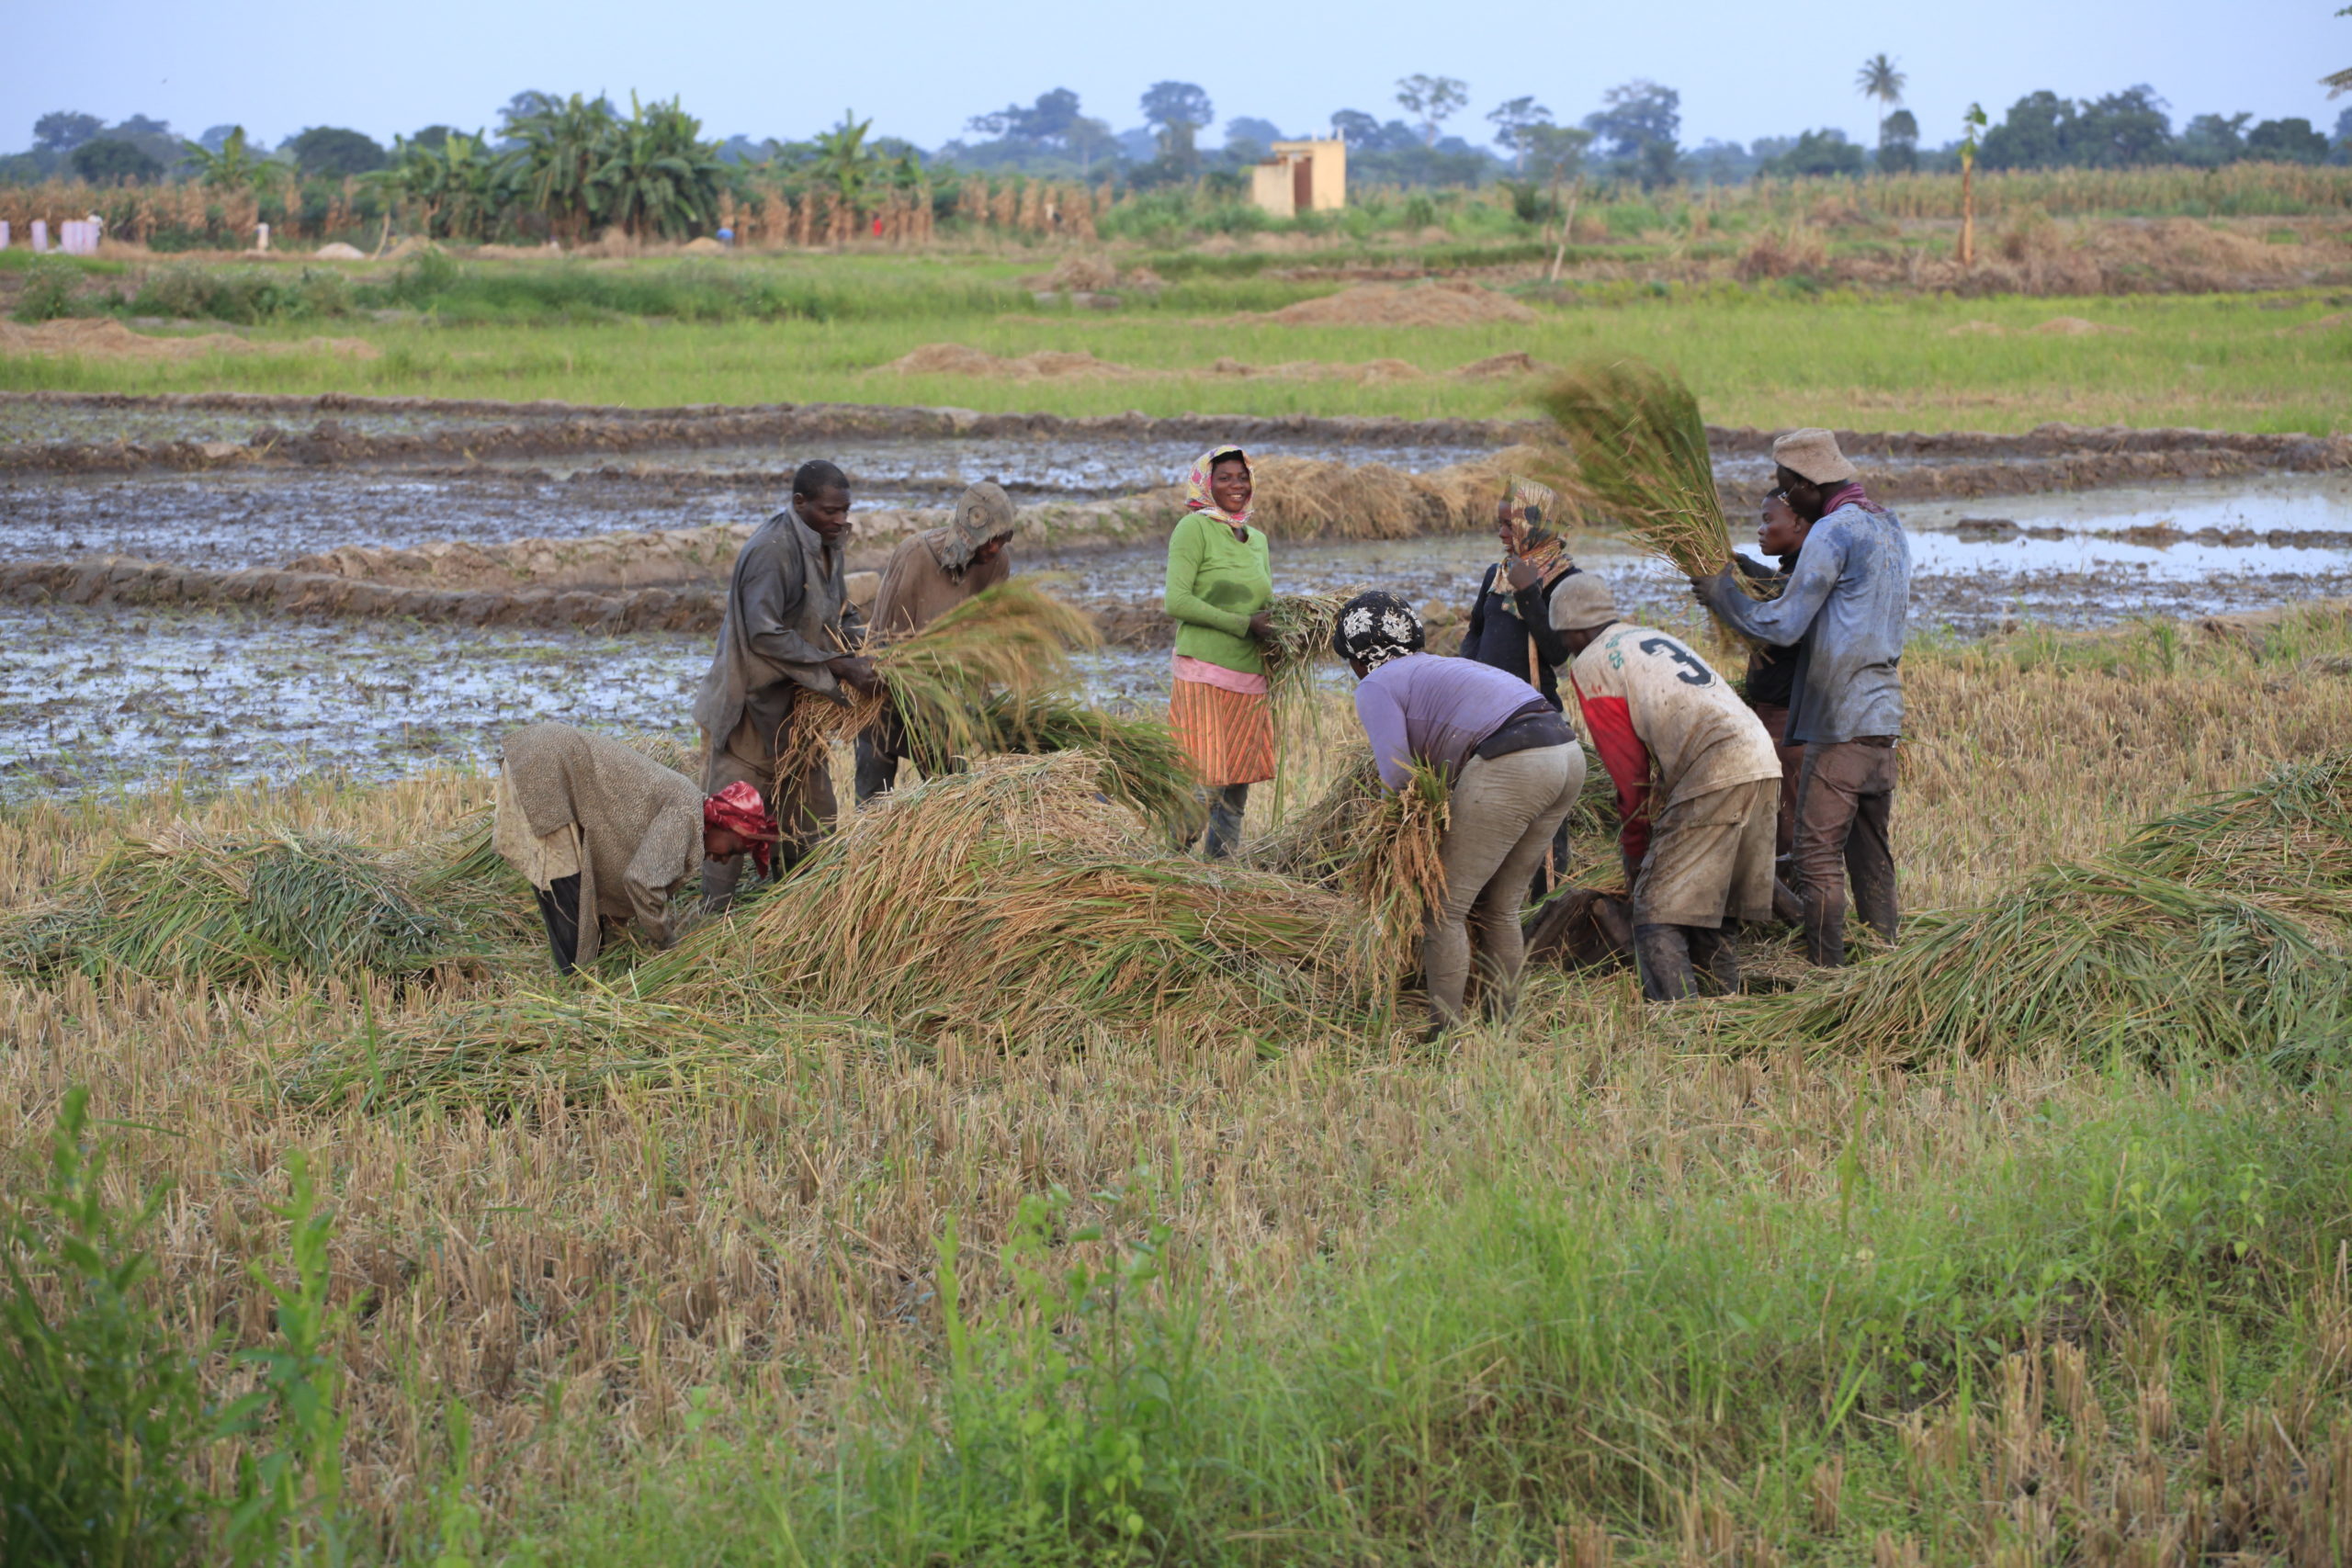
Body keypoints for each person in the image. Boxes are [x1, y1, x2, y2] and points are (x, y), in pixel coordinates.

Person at [1693, 429, 1910, 967]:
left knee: (1815, 859)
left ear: (1811, 484)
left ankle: (1827, 976)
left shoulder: (1833, 531)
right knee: (1871, 852)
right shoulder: (1888, 524)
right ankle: (1887, 962)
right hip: (1883, 715)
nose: (1787, 498)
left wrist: (1723, 595)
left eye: (1788, 488)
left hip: (1840, 720)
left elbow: (1785, 626)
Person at [1334, 591, 1585, 1031]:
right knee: (1500, 908)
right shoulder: (1440, 666)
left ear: (1360, 655)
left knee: (1443, 910)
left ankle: (1444, 1031)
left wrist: (1395, 840)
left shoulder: (1377, 683)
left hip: (1514, 761)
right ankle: (1503, 1023)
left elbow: (1398, 778)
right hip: (1566, 754)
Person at [1550, 575, 1784, 1003]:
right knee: (1713, 904)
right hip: (1760, 756)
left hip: (1714, 766)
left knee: (1655, 910)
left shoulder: (1593, 663)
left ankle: (1679, 1023)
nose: (1565, 647)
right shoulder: (1645, 637)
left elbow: (1629, 774)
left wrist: (1637, 850)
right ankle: (1723, 1009)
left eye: (1562, 637)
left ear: (1571, 629)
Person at [692, 458, 879, 908]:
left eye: (845, 510)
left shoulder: (828, 545)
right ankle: (713, 922)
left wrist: (867, 643)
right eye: (830, 511)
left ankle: (798, 914)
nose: (840, 519)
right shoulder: (772, 551)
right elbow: (764, 633)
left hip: (798, 711)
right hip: (749, 707)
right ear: (799, 503)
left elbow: (835, 614)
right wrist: (839, 666)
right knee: (732, 822)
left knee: (812, 821)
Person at [492, 723, 778, 974]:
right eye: (733, 850)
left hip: (546, 761)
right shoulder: (686, 813)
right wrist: (667, 944)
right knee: (567, 897)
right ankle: (575, 994)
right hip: (545, 770)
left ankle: (581, 983)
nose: (724, 859)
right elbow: (642, 882)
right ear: (725, 824)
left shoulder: (686, 807)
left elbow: (618, 866)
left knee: (574, 898)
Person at [854, 480, 1018, 802]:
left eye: (1002, 539)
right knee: (873, 800)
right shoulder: (915, 555)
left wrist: (979, 699)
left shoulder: (997, 564)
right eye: (989, 539)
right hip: (886, 692)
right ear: (967, 532)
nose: (995, 548)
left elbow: (986, 633)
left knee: (953, 799)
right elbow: (885, 641)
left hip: (941, 704)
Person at [1458, 475, 1581, 897]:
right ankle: (1497, 906)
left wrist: (1530, 595)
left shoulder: (1566, 580)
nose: (1501, 534)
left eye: (1509, 525)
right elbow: (1476, 630)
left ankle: (1546, 909)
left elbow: (1558, 652)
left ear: (1536, 523)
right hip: (1489, 716)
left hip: (1535, 718)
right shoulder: (1497, 574)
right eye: (1500, 524)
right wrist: (1469, 673)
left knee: (1544, 832)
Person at [1164, 446, 1275, 859]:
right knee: (1204, 784)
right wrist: (1244, 624)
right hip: (1204, 674)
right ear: (1206, 483)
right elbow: (1177, 601)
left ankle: (1221, 874)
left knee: (1235, 790)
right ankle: (1170, 862)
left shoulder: (1257, 539)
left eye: (1242, 477)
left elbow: (1265, 603)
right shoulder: (1193, 528)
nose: (1236, 485)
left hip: (1250, 677)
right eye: (1224, 478)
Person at [1735, 491, 1812, 915]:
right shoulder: (1788, 572)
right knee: (1774, 814)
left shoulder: (1807, 577)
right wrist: (1745, 568)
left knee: (1788, 818)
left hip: (1790, 722)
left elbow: (1781, 606)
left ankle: (1798, 910)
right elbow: (1775, 588)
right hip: (1770, 718)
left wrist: (1725, 592)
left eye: (1769, 519)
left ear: (1798, 523)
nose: (1761, 529)